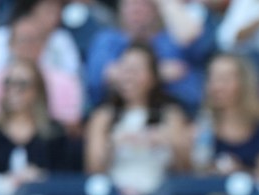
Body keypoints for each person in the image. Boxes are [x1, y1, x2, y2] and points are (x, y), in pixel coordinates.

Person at [84, 41, 192, 195]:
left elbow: (186, 169)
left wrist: (168, 142)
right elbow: (93, 170)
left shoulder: (171, 114)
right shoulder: (103, 116)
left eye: (136, 70)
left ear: (153, 77)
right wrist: (113, 145)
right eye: (124, 69)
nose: (129, 76)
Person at [0, 58, 81, 195]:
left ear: (37, 90)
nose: (14, 90)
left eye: (22, 84)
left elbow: (68, 182)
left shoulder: (55, 135)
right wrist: (5, 181)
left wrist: (42, 178)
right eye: (8, 83)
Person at [84, 0, 214, 113]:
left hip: (177, 118)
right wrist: (158, 73)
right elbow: (101, 75)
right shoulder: (108, 40)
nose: (136, 9)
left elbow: (190, 36)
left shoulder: (170, 40)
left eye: (144, 4)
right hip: (118, 119)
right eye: (131, 3)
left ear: (156, 10)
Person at [0, 12, 85, 133]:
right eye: (23, 40)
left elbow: (72, 130)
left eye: (35, 40)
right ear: (10, 44)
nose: (29, 46)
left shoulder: (66, 83)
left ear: (44, 44)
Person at [194, 52, 259, 190]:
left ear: (244, 83)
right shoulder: (202, 125)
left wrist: (239, 172)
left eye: (224, 79)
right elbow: (192, 173)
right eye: (212, 79)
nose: (217, 87)